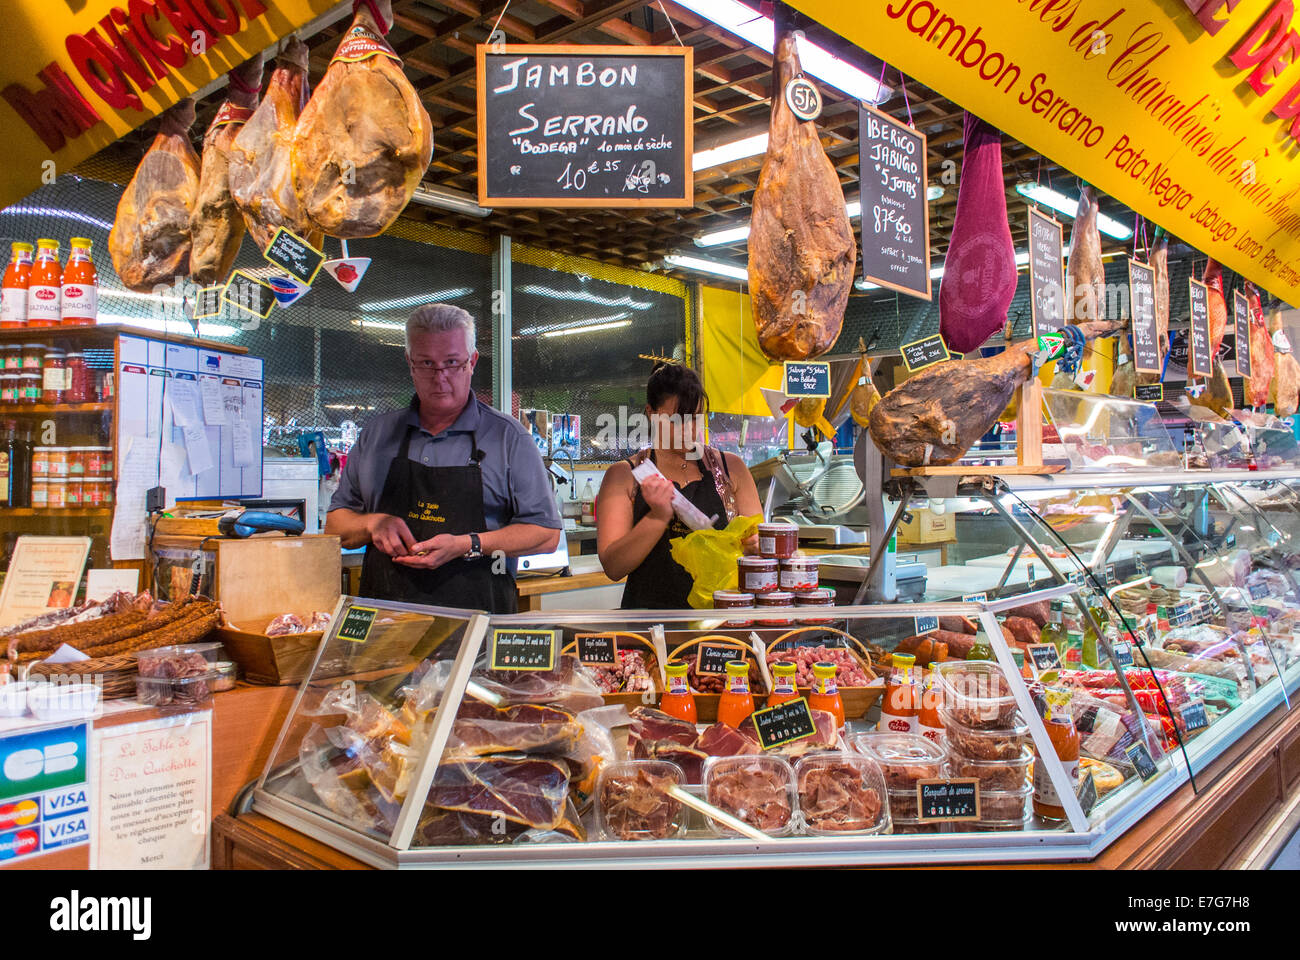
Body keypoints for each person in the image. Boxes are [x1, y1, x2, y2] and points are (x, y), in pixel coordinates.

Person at [326, 304, 561, 612]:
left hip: (478, 627)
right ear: (409, 362)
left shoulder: (509, 438)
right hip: (386, 628)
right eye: (427, 364)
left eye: (452, 362)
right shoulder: (377, 435)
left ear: (472, 361)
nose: (440, 378)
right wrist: (373, 523)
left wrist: (468, 545)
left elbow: (546, 535)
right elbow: (334, 528)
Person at [596, 363, 762, 609]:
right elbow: (614, 567)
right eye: (677, 421)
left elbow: (760, 546)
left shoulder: (731, 469)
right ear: (651, 413)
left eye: (695, 418)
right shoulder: (624, 476)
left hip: (722, 624)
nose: (690, 431)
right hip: (649, 624)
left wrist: (756, 547)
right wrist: (657, 517)